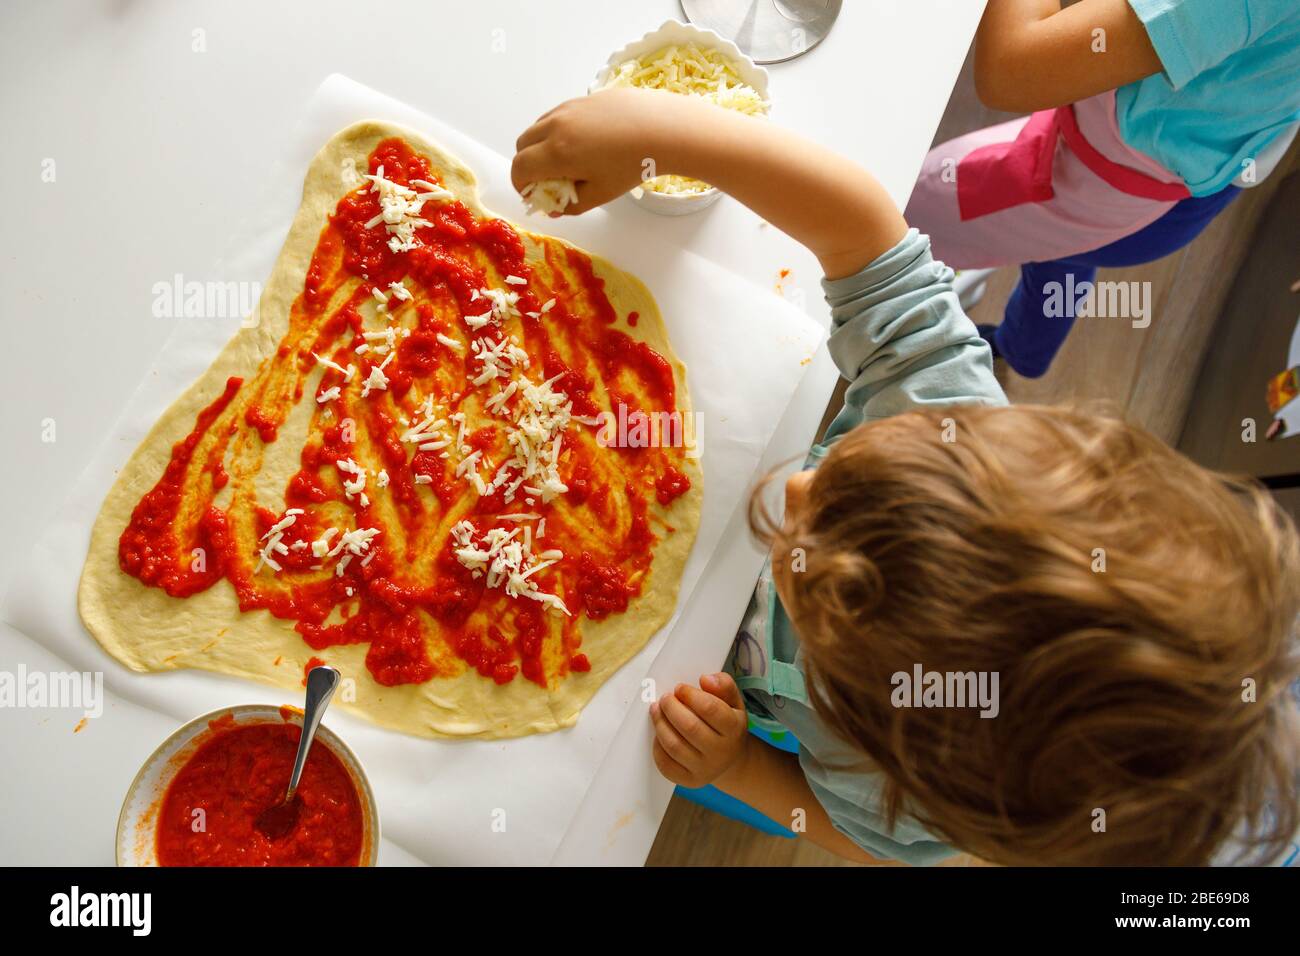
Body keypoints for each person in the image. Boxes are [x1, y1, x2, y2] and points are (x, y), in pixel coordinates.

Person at [511, 87, 1300, 865]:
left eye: (811, 567)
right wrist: (663, 134)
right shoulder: (954, 421)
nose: (795, 490)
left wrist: (736, 767)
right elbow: (866, 232)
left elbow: (840, 830)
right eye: (848, 481)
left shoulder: (899, 791)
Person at [905, 0, 1300, 377]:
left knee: (907, 211)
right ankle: (1022, 352)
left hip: (1102, 179)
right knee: (1064, 253)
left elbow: (1011, 72)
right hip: (1196, 176)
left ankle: (1014, 342)